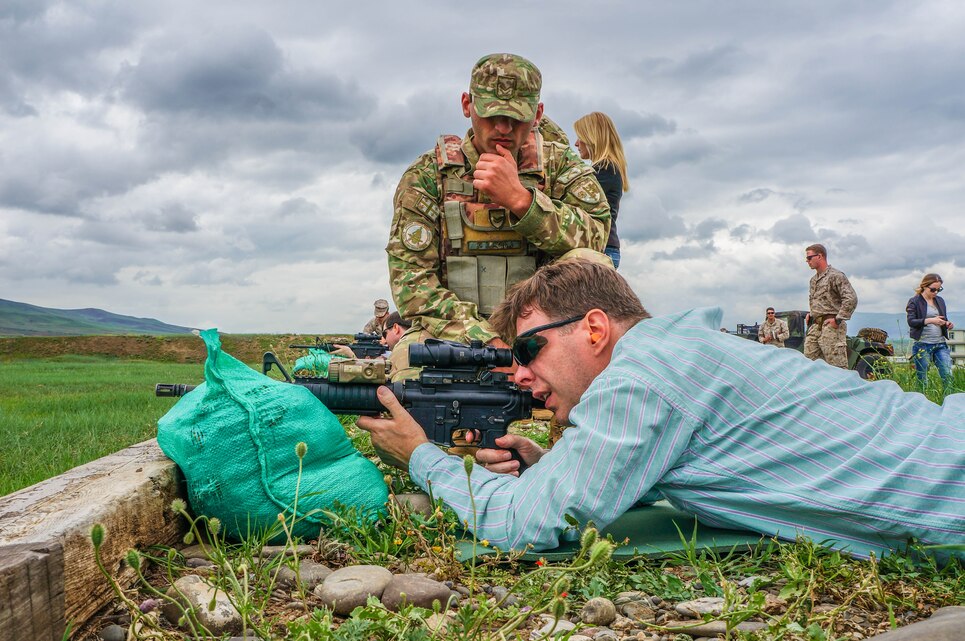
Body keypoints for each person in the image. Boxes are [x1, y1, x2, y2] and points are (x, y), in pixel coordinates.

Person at [356, 260, 965, 559]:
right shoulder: (671, 354)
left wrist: (424, 458)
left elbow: (524, 526)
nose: (517, 372)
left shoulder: (645, 377)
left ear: (594, 328)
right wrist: (552, 462)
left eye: (528, 348)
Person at [385, 53, 611, 380]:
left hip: (545, 332)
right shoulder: (428, 175)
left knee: (592, 261)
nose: (503, 128)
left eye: (516, 117)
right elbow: (411, 280)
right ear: (467, 105)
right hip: (455, 332)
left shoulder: (558, 166)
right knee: (406, 375)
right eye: (493, 115)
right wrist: (486, 342)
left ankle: (571, 426)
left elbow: (596, 238)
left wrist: (522, 202)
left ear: (538, 114)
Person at [573, 112, 629, 269]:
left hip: (600, 251)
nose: (576, 143)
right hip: (602, 250)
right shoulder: (606, 169)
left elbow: (573, 201)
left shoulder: (605, 169)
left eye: (580, 137)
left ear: (592, 138)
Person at [804, 244, 857, 368]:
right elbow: (819, 301)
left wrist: (837, 320)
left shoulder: (836, 276)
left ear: (820, 256)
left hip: (832, 327)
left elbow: (851, 298)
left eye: (809, 257)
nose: (807, 261)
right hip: (816, 326)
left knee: (836, 366)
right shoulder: (813, 280)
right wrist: (811, 314)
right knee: (809, 364)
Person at [906, 273, 955, 391]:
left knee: (948, 376)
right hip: (922, 345)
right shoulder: (914, 301)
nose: (936, 293)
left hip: (940, 344)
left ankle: (949, 404)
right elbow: (911, 321)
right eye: (933, 289)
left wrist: (947, 324)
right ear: (924, 286)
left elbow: (942, 319)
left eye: (939, 290)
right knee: (922, 379)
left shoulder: (940, 301)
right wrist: (931, 320)